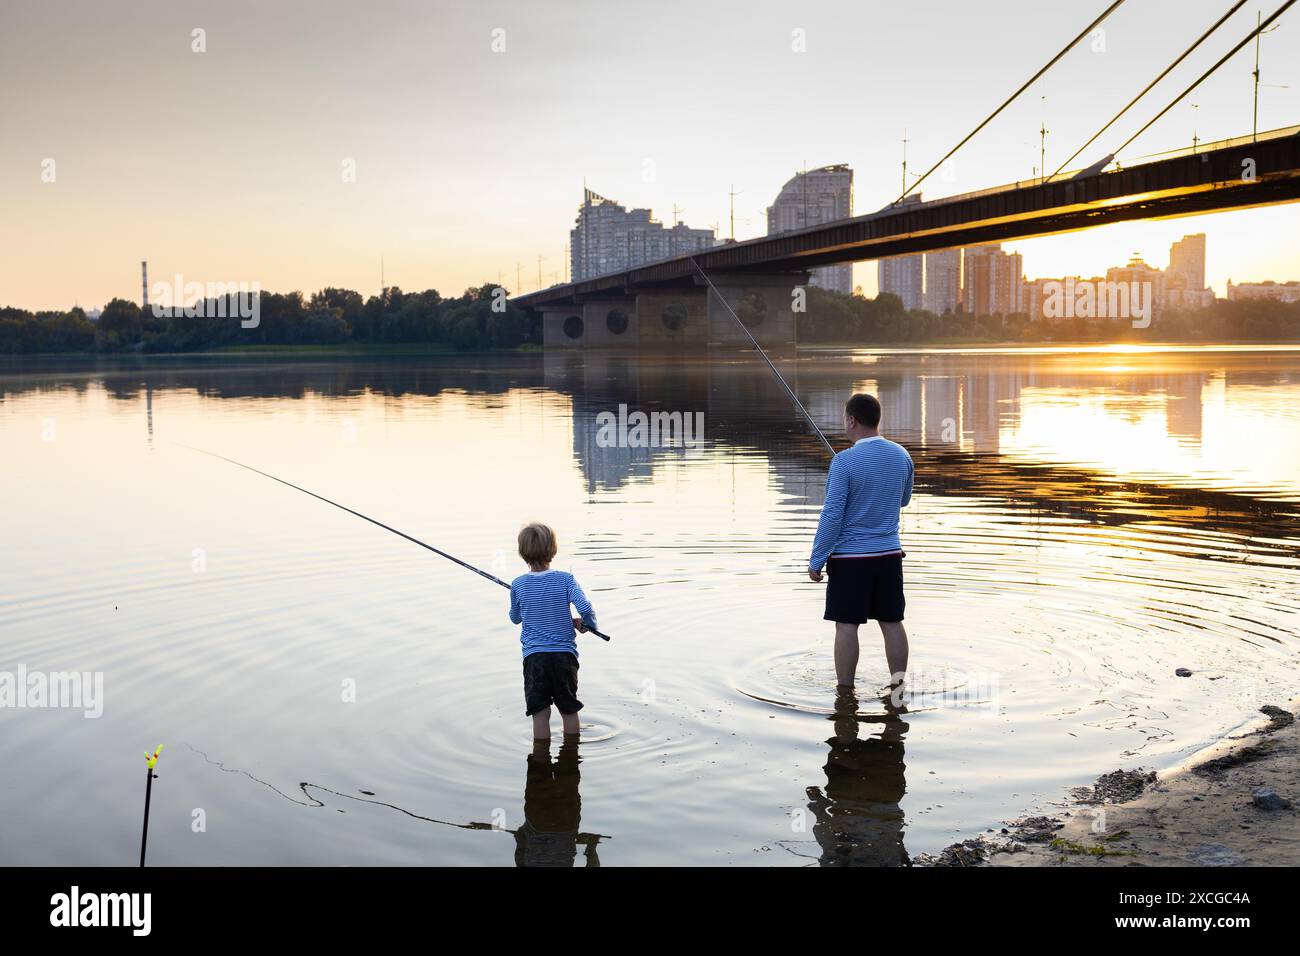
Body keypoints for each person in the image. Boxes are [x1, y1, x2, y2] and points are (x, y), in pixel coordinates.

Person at [808, 393, 914, 689]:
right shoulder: (902, 455)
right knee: (892, 622)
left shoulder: (844, 462)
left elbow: (831, 516)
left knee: (846, 626)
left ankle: (845, 693)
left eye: (845, 419)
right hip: (889, 556)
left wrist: (816, 560)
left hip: (850, 561)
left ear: (852, 420)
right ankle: (898, 688)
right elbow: (903, 500)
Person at [509, 522, 599, 740]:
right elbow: (585, 608)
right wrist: (588, 625)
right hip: (563, 658)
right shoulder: (565, 580)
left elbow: (515, 618)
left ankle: (539, 758)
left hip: (535, 658)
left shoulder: (518, 584)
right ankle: (572, 754)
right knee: (568, 709)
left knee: (539, 712)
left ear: (522, 553)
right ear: (553, 549)